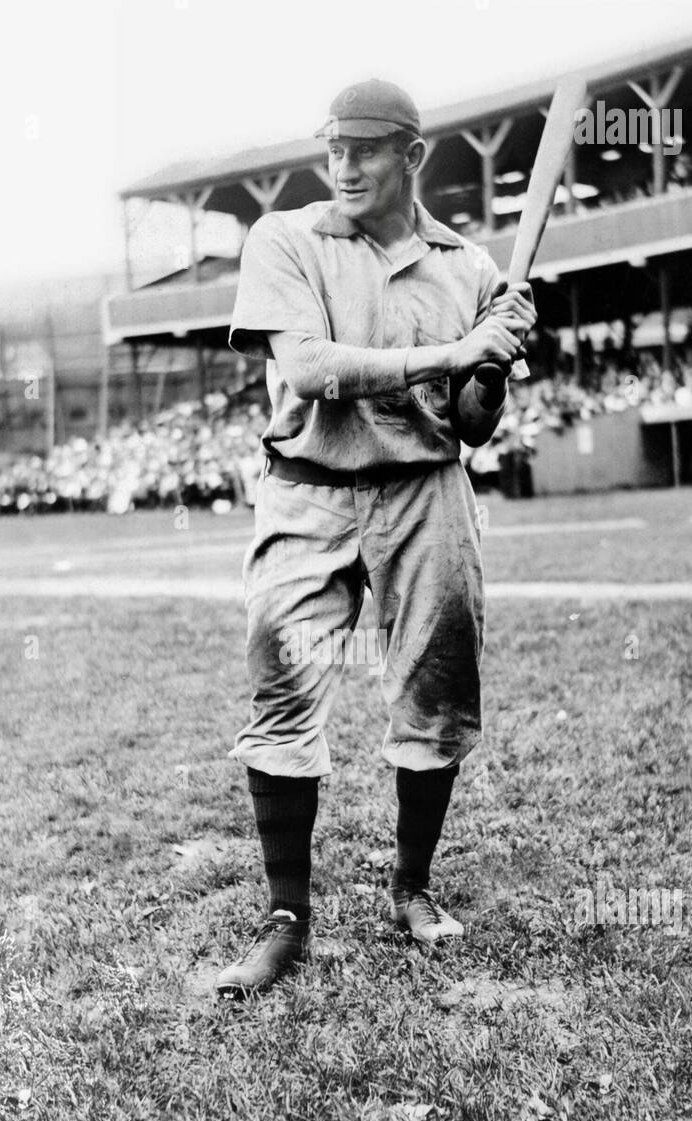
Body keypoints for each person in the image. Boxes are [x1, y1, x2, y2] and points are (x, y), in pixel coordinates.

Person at [215, 79, 536, 998]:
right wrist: (451, 352)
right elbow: (310, 368)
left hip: (425, 490)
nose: (344, 166)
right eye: (334, 148)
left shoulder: (467, 267)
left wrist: (496, 365)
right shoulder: (287, 239)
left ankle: (413, 888)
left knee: (436, 689)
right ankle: (286, 915)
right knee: (278, 677)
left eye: (365, 149)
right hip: (309, 489)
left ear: (413, 157)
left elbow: (470, 425)